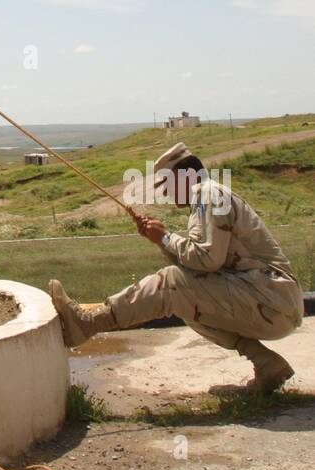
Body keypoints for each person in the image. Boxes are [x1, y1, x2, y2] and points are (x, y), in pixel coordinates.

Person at [50, 141, 305, 394]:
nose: (165, 193)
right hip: (271, 302)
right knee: (187, 303)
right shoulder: (208, 196)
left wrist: (164, 237)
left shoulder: (208, 194)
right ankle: (267, 365)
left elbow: (206, 260)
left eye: (166, 184)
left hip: (272, 299)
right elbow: (198, 274)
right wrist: (161, 240)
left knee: (171, 282)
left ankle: (88, 323)